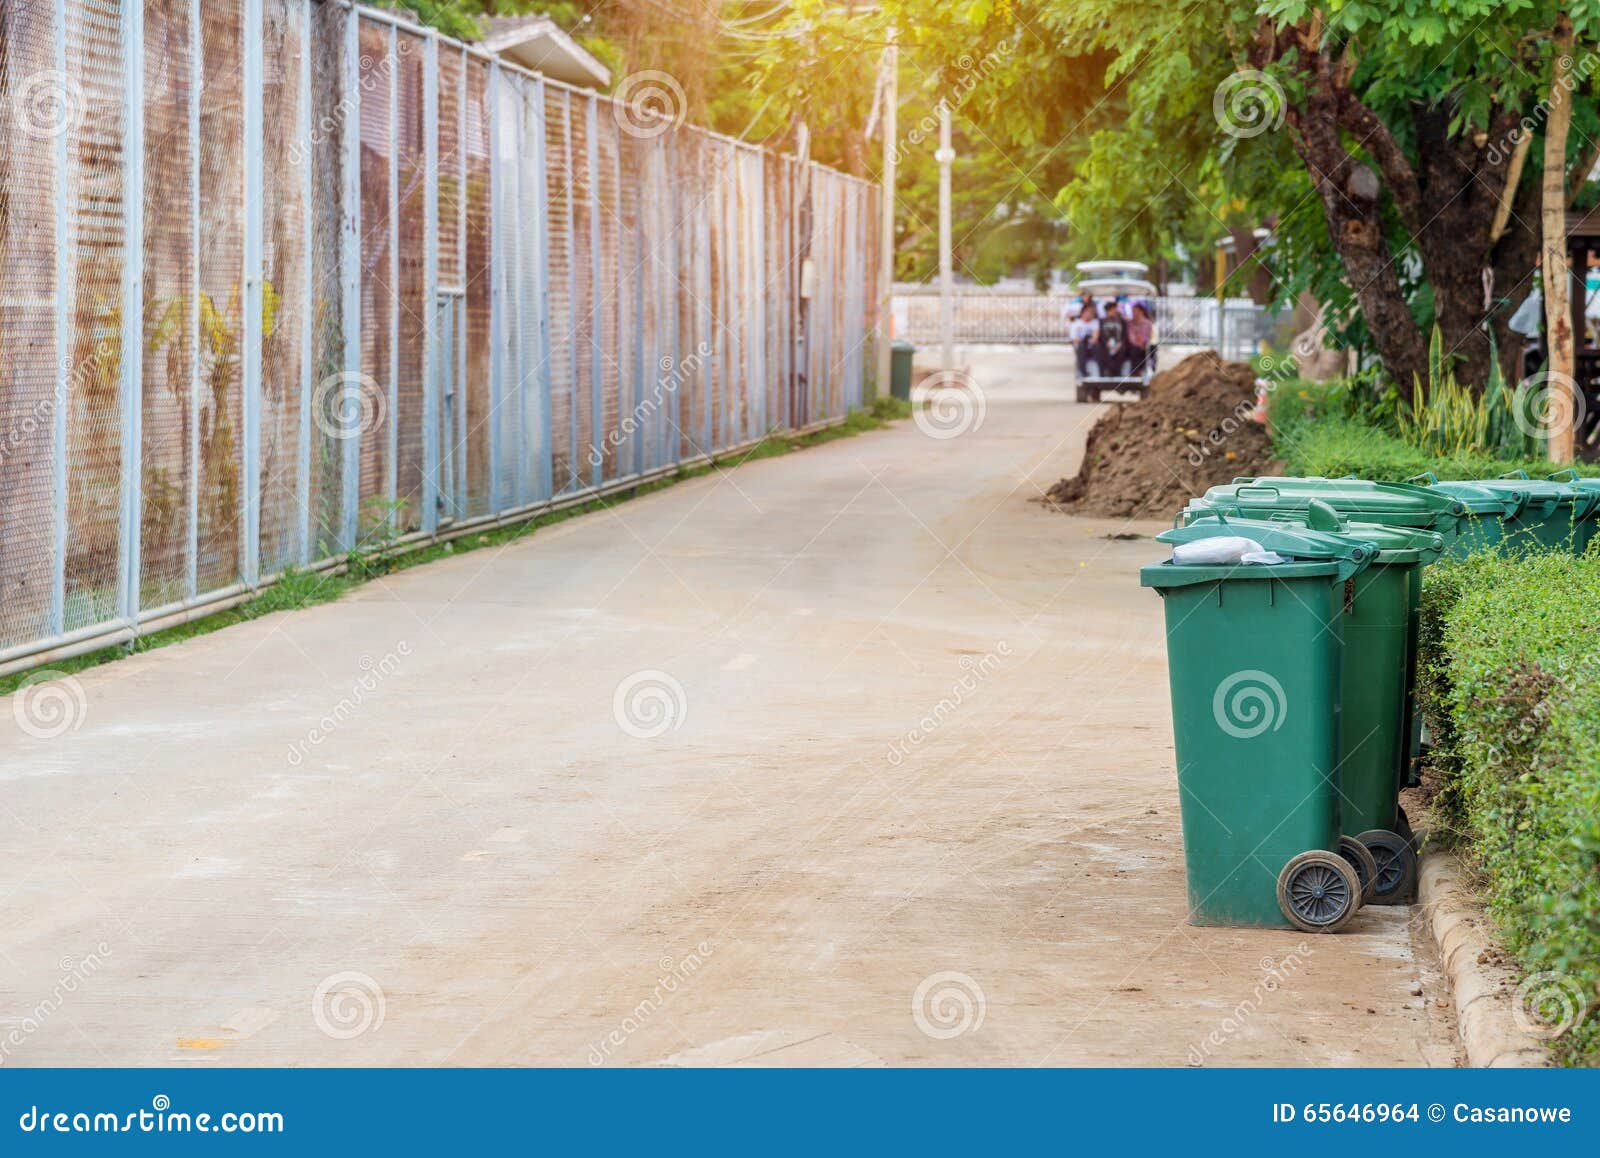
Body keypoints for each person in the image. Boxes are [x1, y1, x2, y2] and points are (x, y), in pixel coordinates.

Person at [1068, 301, 1100, 378]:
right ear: (1083, 312)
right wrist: (1082, 340)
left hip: (1092, 347)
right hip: (1081, 347)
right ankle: (1083, 372)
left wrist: (1091, 339)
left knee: (1098, 347)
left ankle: (1101, 371)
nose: (1090, 314)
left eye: (1092, 312)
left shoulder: (1095, 322)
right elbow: (1074, 339)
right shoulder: (1075, 324)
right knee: (1081, 347)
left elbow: (1095, 337)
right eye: (1088, 312)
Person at [1097, 303, 1130, 377]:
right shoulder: (1101, 321)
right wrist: (1106, 343)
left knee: (1122, 350)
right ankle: (1109, 372)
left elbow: (1124, 335)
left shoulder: (1121, 321)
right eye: (1113, 309)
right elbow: (1100, 335)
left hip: (1119, 343)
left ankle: (1118, 372)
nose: (1115, 311)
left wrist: (1120, 343)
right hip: (1106, 344)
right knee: (1103, 351)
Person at [1127, 300, 1156, 377]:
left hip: (1144, 344)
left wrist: (1142, 343)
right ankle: (1135, 372)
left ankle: (1150, 369)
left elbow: (1148, 336)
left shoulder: (1147, 323)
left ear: (1141, 311)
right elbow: (1131, 337)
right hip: (1134, 346)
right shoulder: (1130, 323)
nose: (1133, 313)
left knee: (1153, 349)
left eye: (1135, 311)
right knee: (1135, 350)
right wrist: (1138, 343)